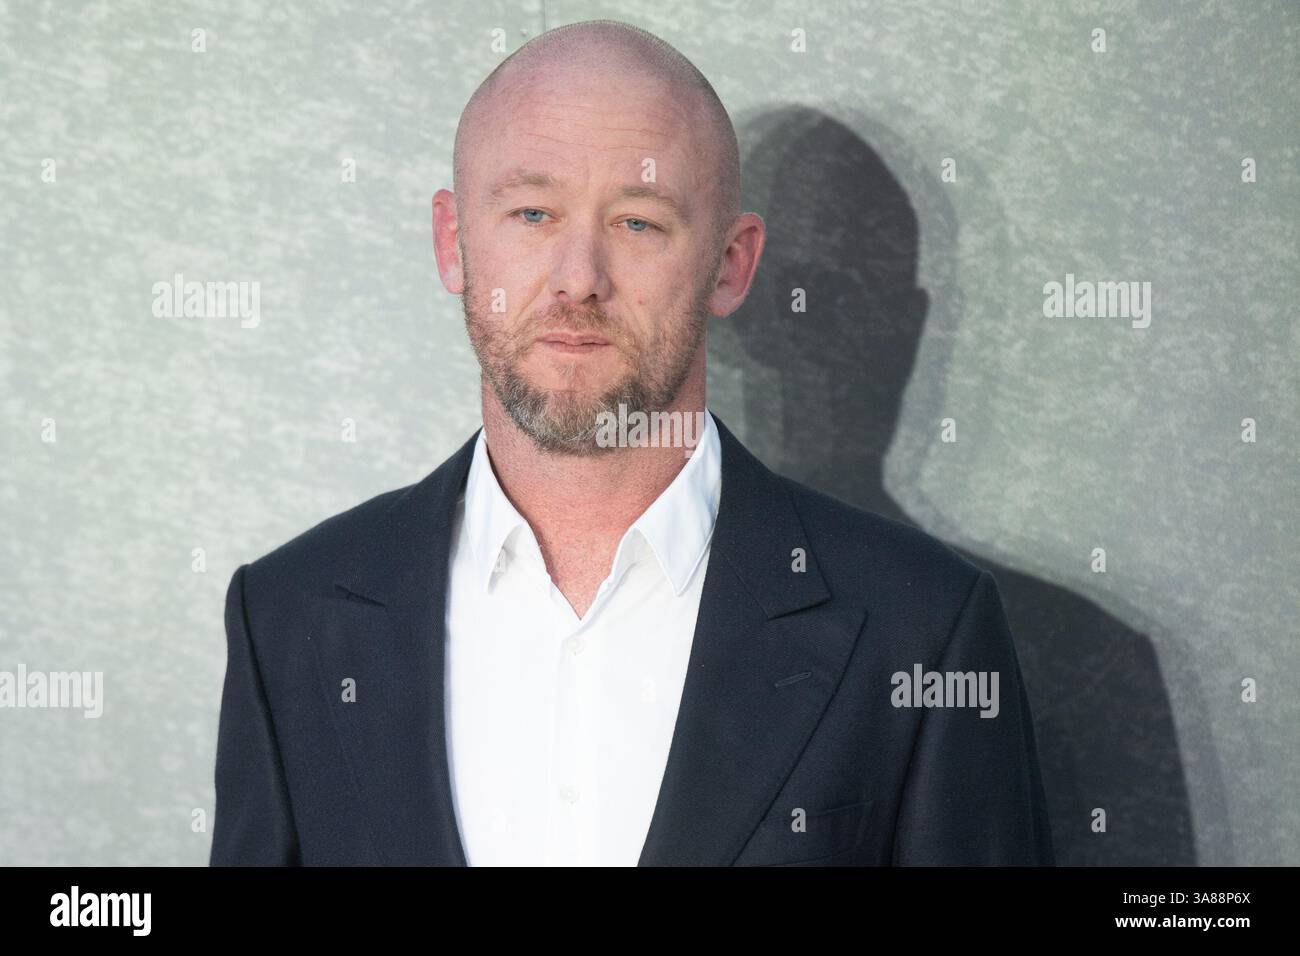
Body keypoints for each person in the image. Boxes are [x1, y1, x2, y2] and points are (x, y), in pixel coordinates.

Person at [209, 19, 1054, 866]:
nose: (579, 278)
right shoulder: (287, 617)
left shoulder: (925, 628)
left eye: (639, 223)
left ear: (730, 264)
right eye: (532, 212)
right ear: (453, 242)